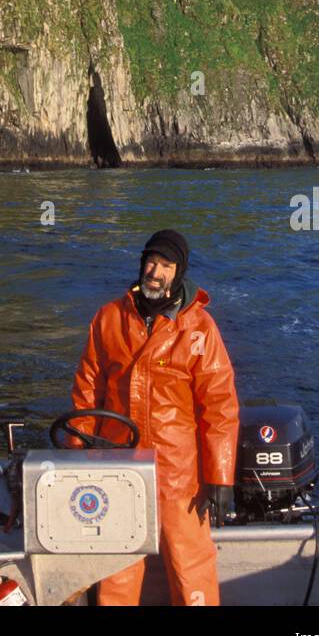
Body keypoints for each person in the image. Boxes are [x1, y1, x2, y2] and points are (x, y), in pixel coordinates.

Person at [66, 229, 239, 606]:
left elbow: (220, 406)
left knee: (190, 568)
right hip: (116, 466)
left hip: (179, 474)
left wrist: (220, 476)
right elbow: (87, 391)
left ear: (179, 273)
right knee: (116, 571)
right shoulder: (108, 317)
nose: (155, 272)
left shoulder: (200, 329)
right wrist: (76, 453)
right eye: (151, 262)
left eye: (165, 265)